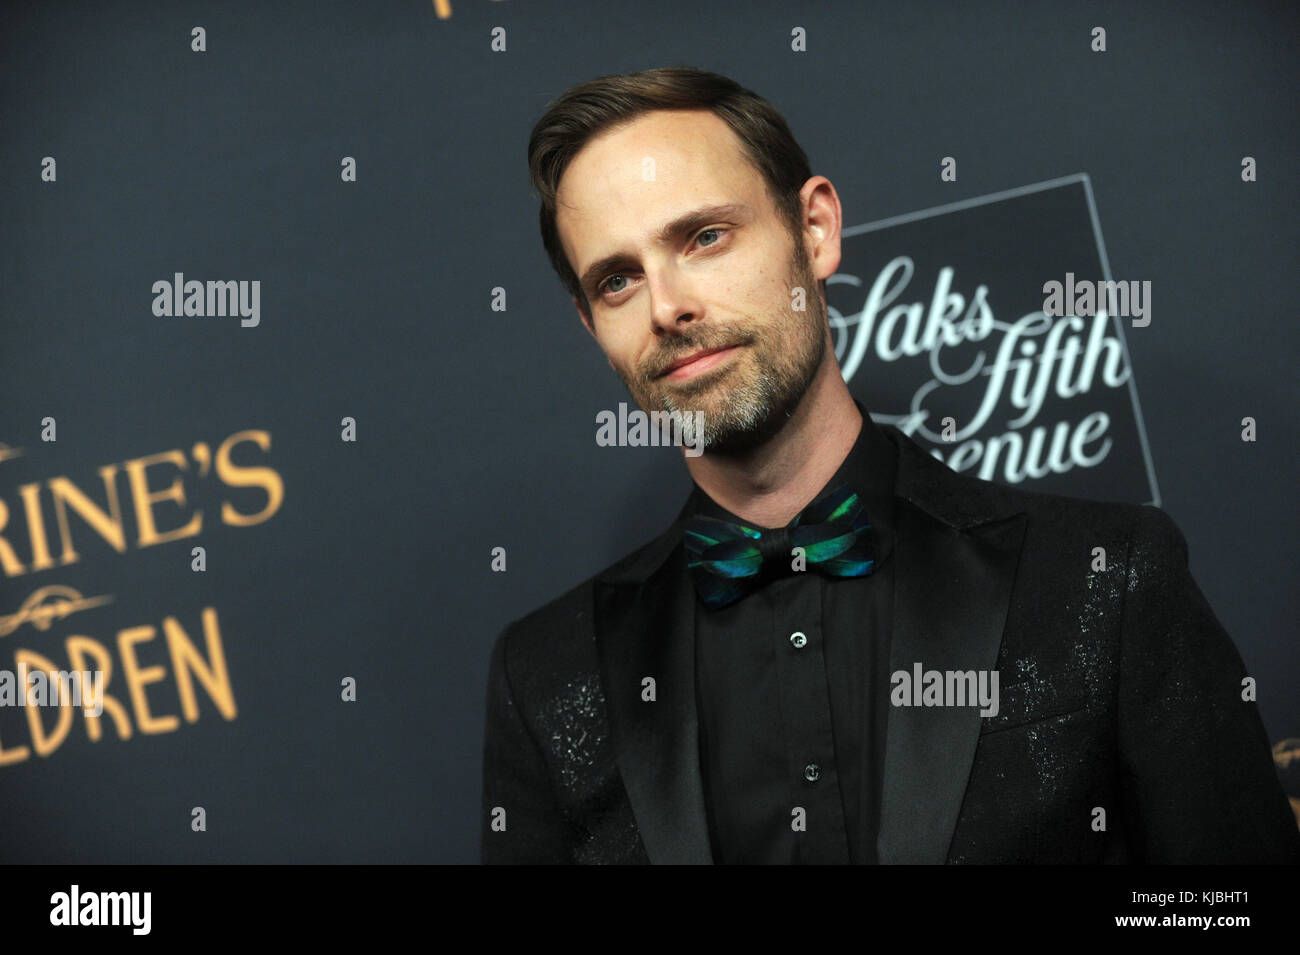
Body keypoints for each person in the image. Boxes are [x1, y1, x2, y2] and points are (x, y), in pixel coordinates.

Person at [480, 66, 1299, 864]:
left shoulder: (1103, 578)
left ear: (816, 230)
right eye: (618, 280)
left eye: (705, 237)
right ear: (592, 326)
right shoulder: (547, 675)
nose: (668, 307)